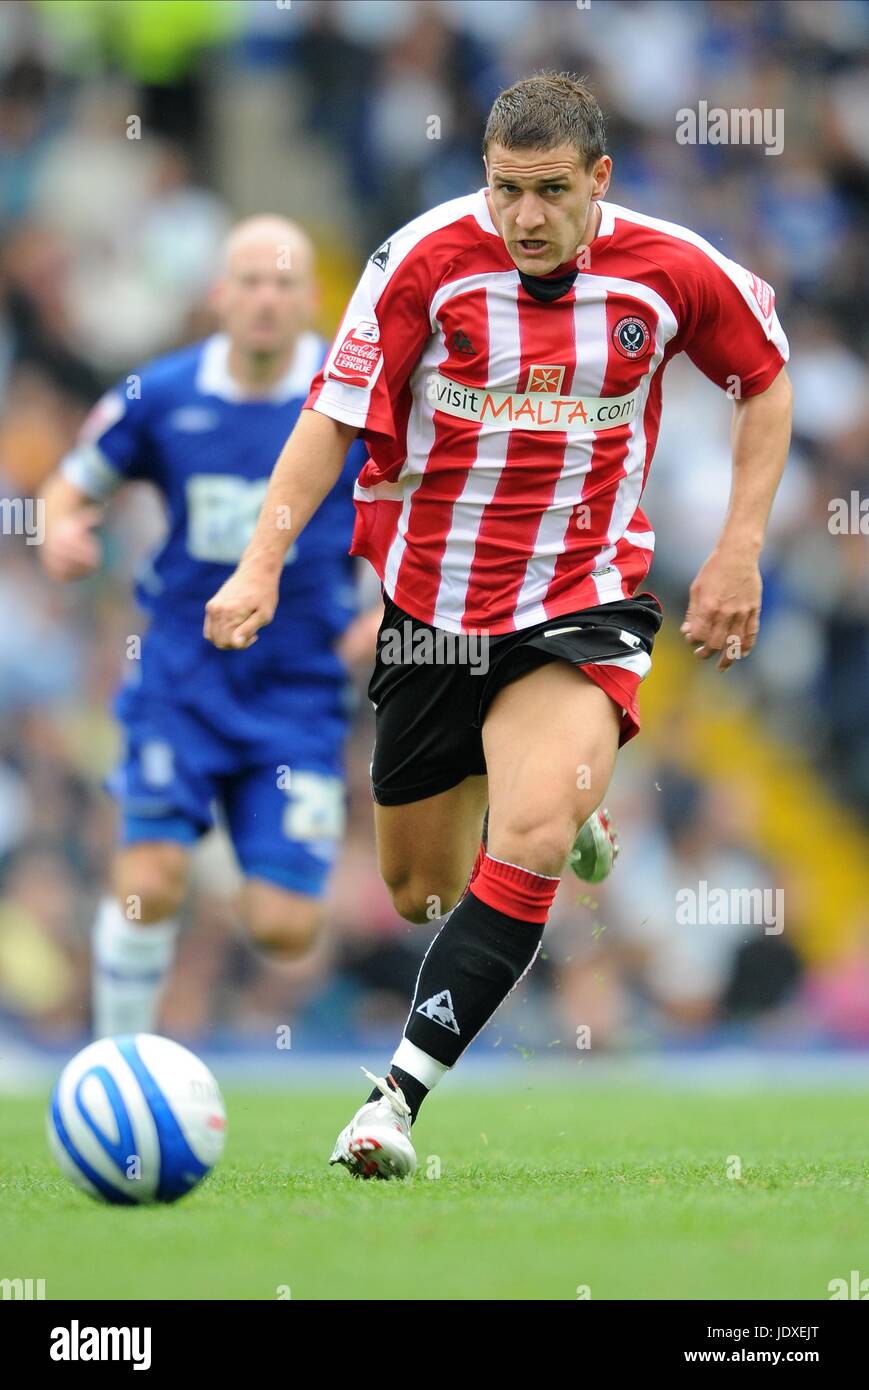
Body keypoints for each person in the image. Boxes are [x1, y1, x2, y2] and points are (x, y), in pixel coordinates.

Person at [203, 75, 792, 1179]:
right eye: (505, 189)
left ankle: (391, 1102)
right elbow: (331, 418)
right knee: (421, 892)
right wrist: (260, 561)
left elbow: (763, 377)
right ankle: (557, 797)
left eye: (550, 191)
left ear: (598, 180)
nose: (524, 216)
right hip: (431, 613)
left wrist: (738, 546)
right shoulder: (420, 261)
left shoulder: (671, 268)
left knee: (524, 836)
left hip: (580, 600)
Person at [40, 215, 372, 1037]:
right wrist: (62, 530)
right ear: (220, 295)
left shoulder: (356, 405)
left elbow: (422, 523)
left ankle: (228, 889)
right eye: (249, 282)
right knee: (148, 880)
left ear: (310, 298)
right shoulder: (161, 393)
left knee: (284, 927)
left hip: (296, 690)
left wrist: (384, 614)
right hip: (181, 678)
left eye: (282, 283)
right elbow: (69, 486)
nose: (265, 299)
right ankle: (118, 1053)